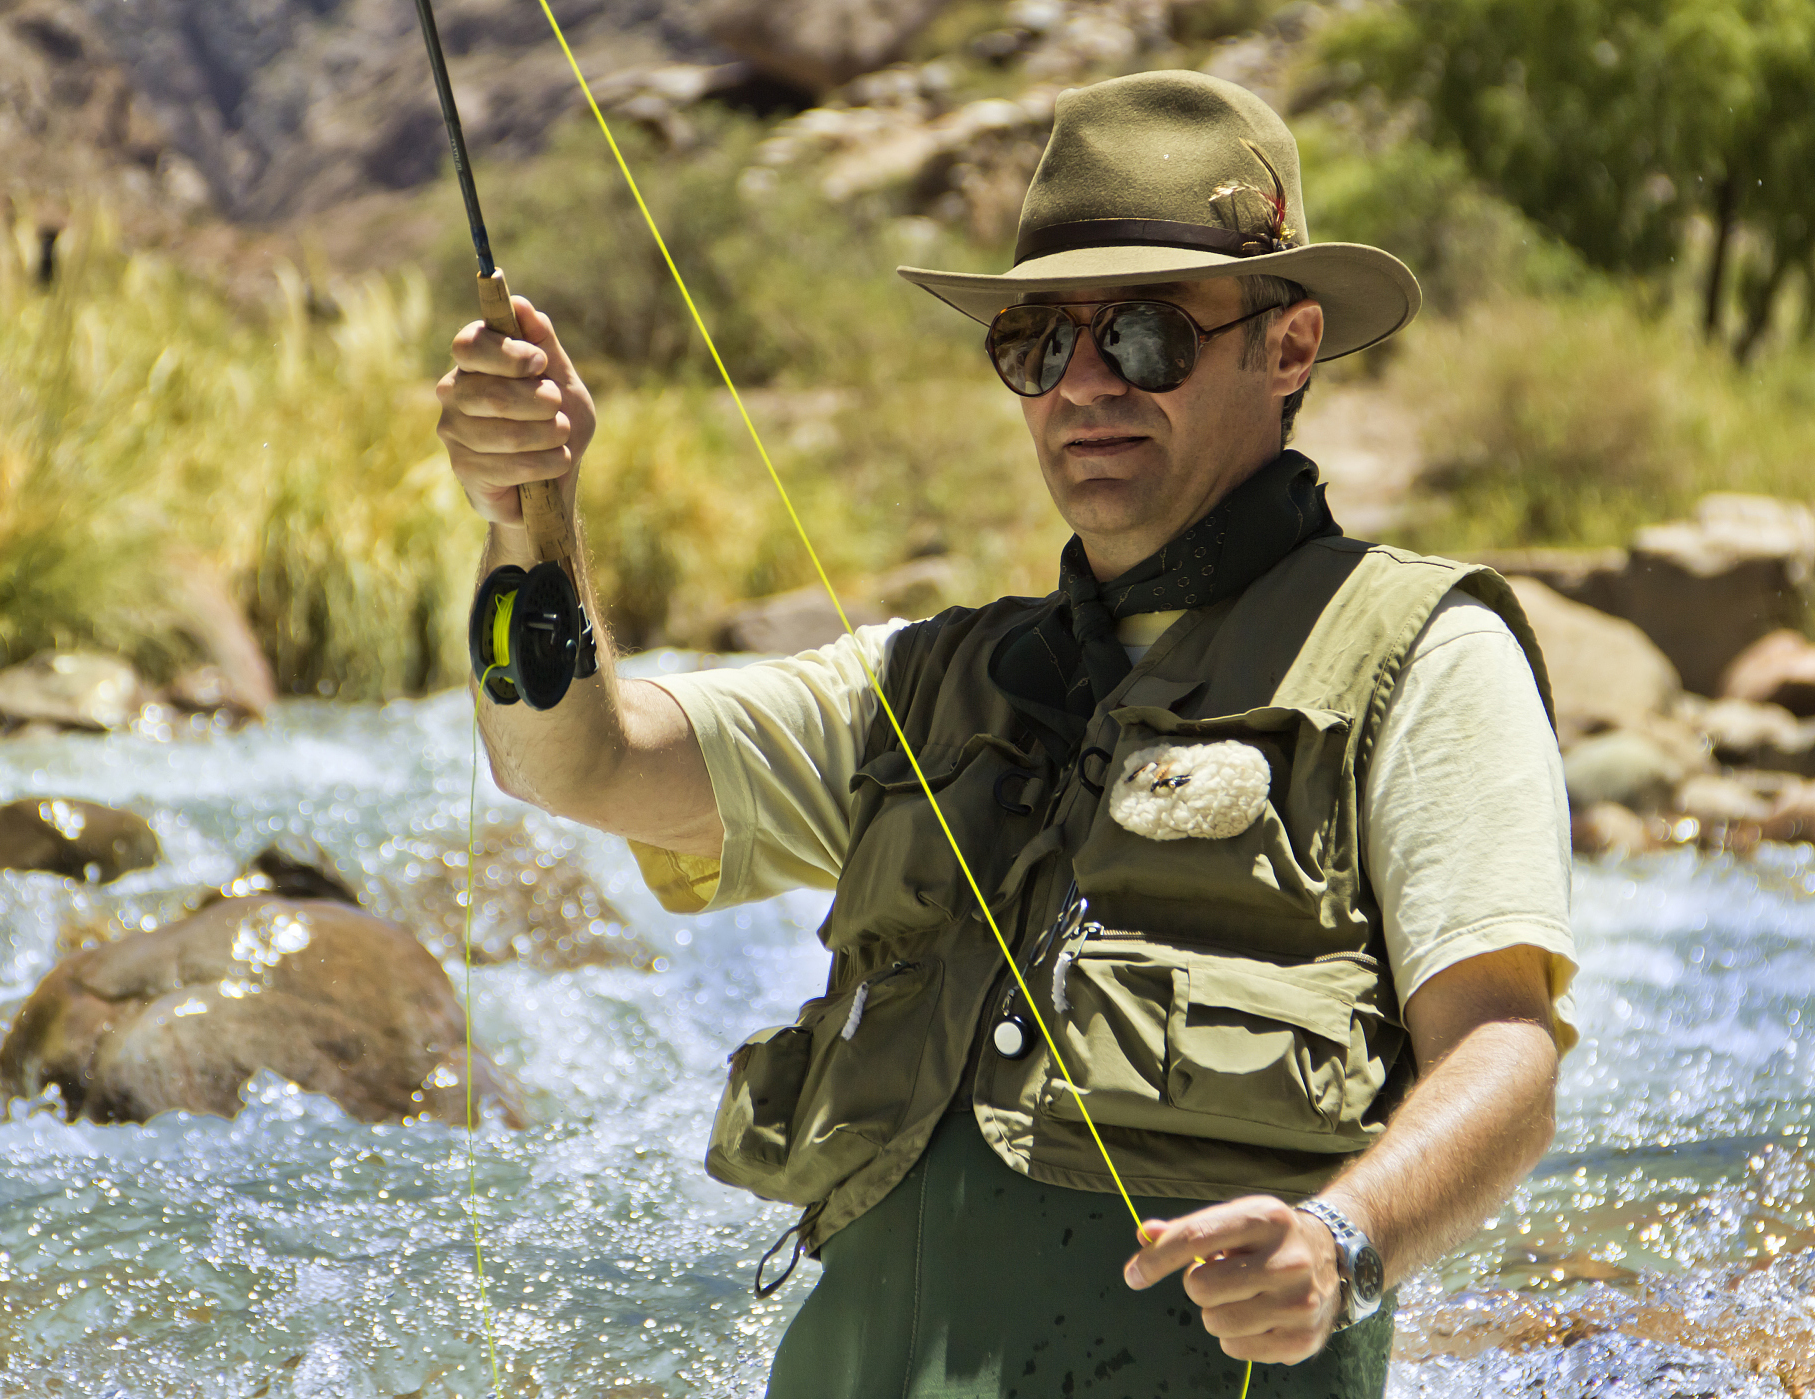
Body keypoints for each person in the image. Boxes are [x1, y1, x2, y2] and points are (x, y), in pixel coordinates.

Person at [436, 69, 1574, 1399]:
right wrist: (530, 513)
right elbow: (578, 761)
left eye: (1144, 335)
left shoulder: (1422, 655)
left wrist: (1342, 1244)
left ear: (1290, 346)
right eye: (1039, 343)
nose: (1081, 383)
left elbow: (1505, 1054)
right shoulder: (923, 683)